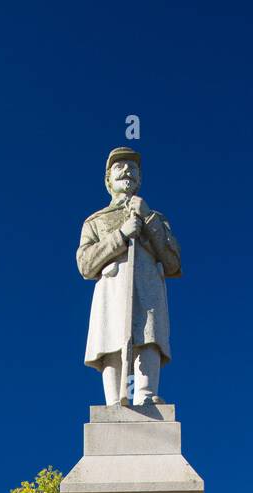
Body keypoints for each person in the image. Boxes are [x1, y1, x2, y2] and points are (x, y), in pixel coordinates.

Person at [77, 147, 181, 406]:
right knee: (111, 336)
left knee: (149, 335)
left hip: (147, 286)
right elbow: (85, 264)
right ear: (108, 179)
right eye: (119, 167)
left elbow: (172, 262)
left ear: (140, 178)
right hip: (112, 287)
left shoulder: (155, 218)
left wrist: (147, 218)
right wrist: (121, 236)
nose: (127, 171)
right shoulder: (95, 221)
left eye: (133, 168)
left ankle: (145, 395)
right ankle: (114, 401)